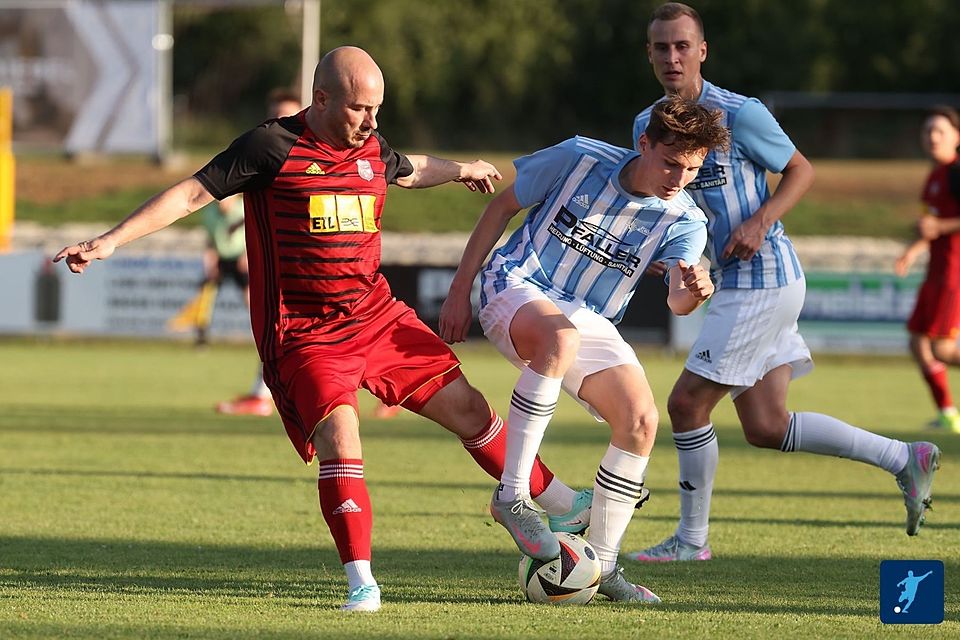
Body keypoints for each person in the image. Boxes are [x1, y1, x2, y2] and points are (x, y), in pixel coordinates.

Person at [54, 46, 592, 613]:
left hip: (376, 317)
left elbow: (408, 169)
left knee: (471, 410)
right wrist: (108, 240)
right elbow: (191, 194)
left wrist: (464, 169)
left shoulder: (371, 146)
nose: (372, 121)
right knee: (343, 438)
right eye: (360, 109)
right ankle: (362, 582)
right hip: (305, 333)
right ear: (321, 99)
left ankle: (556, 501)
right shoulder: (270, 146)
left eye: (378, 109)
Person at [627, 3, 941, 566]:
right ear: (648, 54)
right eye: (661, 48)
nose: (672, 57)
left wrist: (759, 220)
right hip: (738, 282)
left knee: (686, 404)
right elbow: (658, 202)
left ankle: (691, 542)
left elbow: (802, 170)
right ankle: (904, 457)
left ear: (703, 50)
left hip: (762, 278)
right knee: (768, 426)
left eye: (682, 46)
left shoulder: (739, 114)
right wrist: (655, 250)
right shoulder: (646, 124)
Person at [440, 95, 730, 604]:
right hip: (514, 283)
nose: (677, 178)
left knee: (641, 420)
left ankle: (601, 565)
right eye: (669, 162)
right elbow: (502, 206)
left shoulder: (685, 219)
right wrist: (460, 288)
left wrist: (696, 287)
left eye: (690, 169)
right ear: (644, 144)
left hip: (584, 317)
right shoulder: (579, 157)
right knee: (561, 338)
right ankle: (512, 496)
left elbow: (679, 301)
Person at [213, 89, 305, 417]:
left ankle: (263, 396)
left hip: (310, 274)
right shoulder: (257, 156)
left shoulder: (316, 159)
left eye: (289, 117)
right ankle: (261, 395)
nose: (281, 124)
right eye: (275, 117)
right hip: (273, 274)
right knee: (274, 334)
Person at [894, 106, 960, 434]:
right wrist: (913, 250)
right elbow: (931, 228)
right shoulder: (935, 175)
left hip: (954, 273)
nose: (932, 137)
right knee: (918, 342)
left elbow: (941, 224)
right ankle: (948, 413)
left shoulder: (956, 172)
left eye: (940, 131)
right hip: (936, 271)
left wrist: (939, 226)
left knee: (942, 349)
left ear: (956, 137)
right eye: (928, 131)